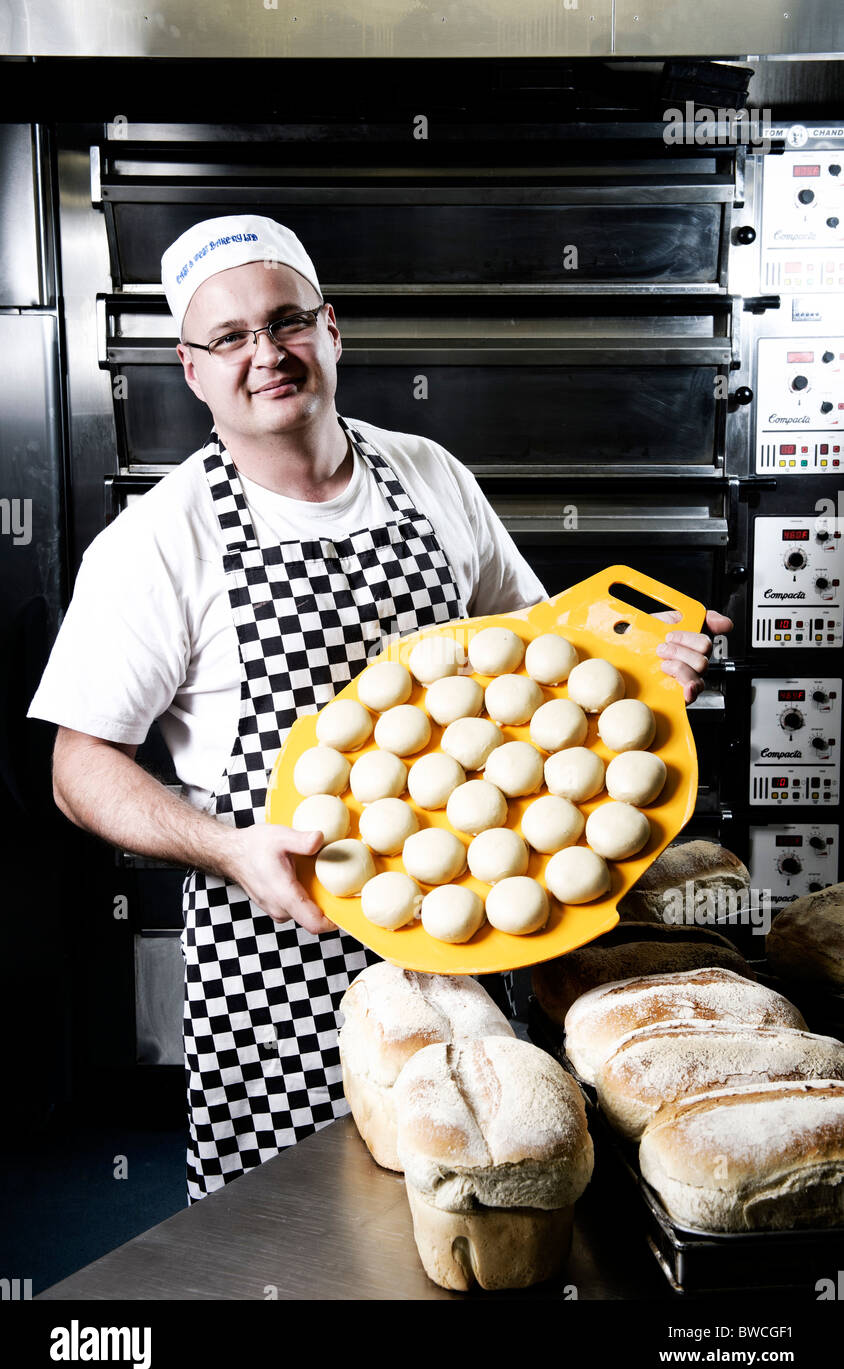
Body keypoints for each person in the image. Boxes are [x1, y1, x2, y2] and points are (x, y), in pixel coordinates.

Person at [28, 215, 732, 1202]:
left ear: (331, 328)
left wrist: (639, 673)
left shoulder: (430, 475)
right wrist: (229, 850)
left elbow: (540, 665)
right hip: (280, 957)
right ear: (191, 370)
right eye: (228, 338)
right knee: (295, 1239)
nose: (265, 355)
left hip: (482, 937)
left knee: (487, 1203)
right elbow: (78, 765)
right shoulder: (156, 542)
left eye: (286, 321)